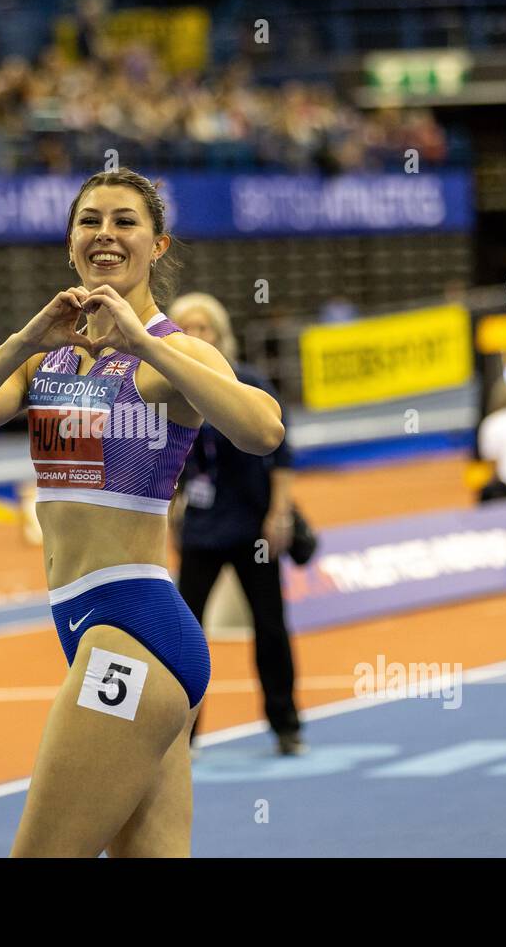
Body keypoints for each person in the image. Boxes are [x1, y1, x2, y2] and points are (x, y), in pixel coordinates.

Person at [0, 168, 285, 857]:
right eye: (90, 221)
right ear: (70, 243)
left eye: (125, 222)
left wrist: (143, 343)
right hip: (92, 627)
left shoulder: (169, 352)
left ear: (158, 245)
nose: (105, 234)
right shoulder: (47, 360)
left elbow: (264, 430)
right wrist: (23, 342)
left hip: (133, 629)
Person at [167, 293, 304, 756]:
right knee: (184, 636)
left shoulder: (247, 382)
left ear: (220, 333)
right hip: (201, 532)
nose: (195, 335)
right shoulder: (167, 388)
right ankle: (183, 735)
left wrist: (279, 513)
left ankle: (286, 726)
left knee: (270, 628)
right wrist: (171, 514)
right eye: (185, 327)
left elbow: (281, 455)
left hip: (253, 528)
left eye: (203, 327)